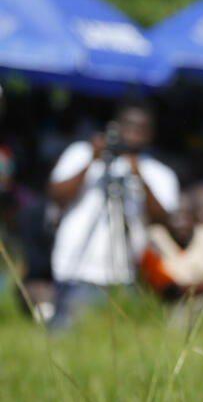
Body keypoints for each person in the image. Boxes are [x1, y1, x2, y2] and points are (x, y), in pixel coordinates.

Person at [47, 99, 179, 327]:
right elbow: (56, 196)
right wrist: (92, 160)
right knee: (66, 337)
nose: (132, 134)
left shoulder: (158, 172)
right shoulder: (81, 153)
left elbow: (163, 219)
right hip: (76, 268)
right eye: (127, 126)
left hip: (125, 274)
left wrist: (139, 175)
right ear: (114, 126)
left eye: (140, 129)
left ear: (150, 134)